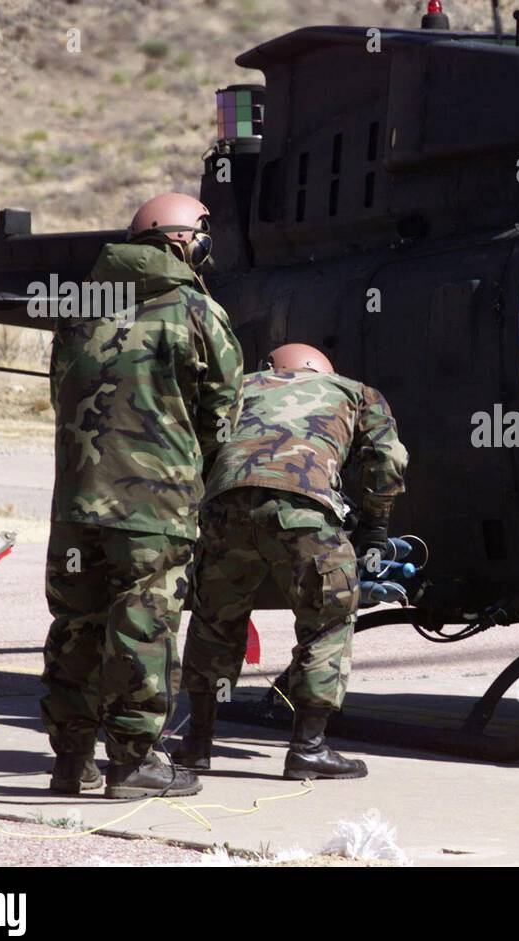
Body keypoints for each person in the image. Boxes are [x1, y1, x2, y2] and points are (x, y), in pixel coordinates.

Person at [42, 192, 243, 799]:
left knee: (76, 624)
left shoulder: (79, 308)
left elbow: (61, 397)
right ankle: (133, 763)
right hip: (153, 507)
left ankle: (72, 760)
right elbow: (221, 417)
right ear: (185, 242)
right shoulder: (197, 310)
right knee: (143, 625)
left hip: (77, 505)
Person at [176, 343, 407, 780]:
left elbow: (198, 444)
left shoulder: (238, 387)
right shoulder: (355, 392)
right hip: (304, 509)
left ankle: (197, 744)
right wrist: (375, 525)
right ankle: (309, 748)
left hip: (225, 507)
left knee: (214, 620)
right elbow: (388, 458)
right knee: (329, 619)